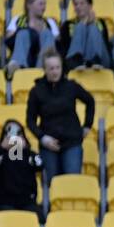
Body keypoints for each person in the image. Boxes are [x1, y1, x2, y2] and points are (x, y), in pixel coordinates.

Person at [26, 49, 94, 182]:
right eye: (51, 68)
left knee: (72, 183)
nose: (55, 71)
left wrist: (87, 125)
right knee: (52, 185)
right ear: (44, 69)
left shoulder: (71, 86)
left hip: (72, 142)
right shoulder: (36, 91)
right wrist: (42, 138)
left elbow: (90, 101)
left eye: (58, 67)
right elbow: (30, 120)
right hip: (48, 145)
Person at [0, 119, 44, 216]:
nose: (13, 138)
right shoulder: (0, 155)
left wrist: (25, 149)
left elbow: (40, 165)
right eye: (9, 133)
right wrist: (1, 148)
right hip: (4, 202)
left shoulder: (29, 155)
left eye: (17, 133)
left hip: (27, 202)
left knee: (38, 215)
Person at [5, 0, 59, 75]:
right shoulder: (18, 20)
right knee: (23, 34)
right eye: (40, 4)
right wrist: (26, 29)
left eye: (44, 4)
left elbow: (57, 42)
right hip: (25, 54)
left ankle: (44, 67)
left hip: (44, 57)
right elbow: (9, 39)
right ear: (29, 5)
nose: (44, 7)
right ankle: (17, 65)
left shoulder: (49, 22)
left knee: (47, 34)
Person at [59, 0, 114, 73]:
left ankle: (95, 58)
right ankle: (76, 58)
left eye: (82, 3)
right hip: (74, 62)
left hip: (101, 60)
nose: (78, 7)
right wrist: (83, 23)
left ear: (90, 6)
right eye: (75, 4)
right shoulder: (68, 24)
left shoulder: (101, 22)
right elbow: (64, 47)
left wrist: (91, 23)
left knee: (92, 28)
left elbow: (105, 44)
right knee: (80, 28)